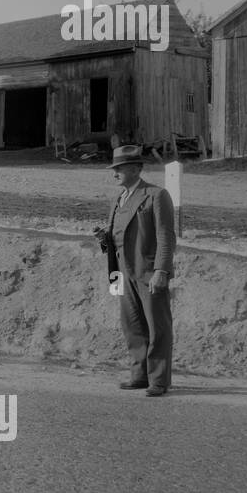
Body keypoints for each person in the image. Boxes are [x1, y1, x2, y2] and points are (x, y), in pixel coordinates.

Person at [91, 144, 176, 396]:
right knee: (132, 325)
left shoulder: (156, 195)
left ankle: (159, 380)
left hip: (147, 270)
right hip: (121, 271)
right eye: (113, 168)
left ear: (137, 168)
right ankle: (139, 375)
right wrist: (104, 237)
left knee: (157, 326)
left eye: (120, 168)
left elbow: (166, 236)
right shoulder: (118, 199)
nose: (114, 173)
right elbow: (120, 234)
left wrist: (162, 270)